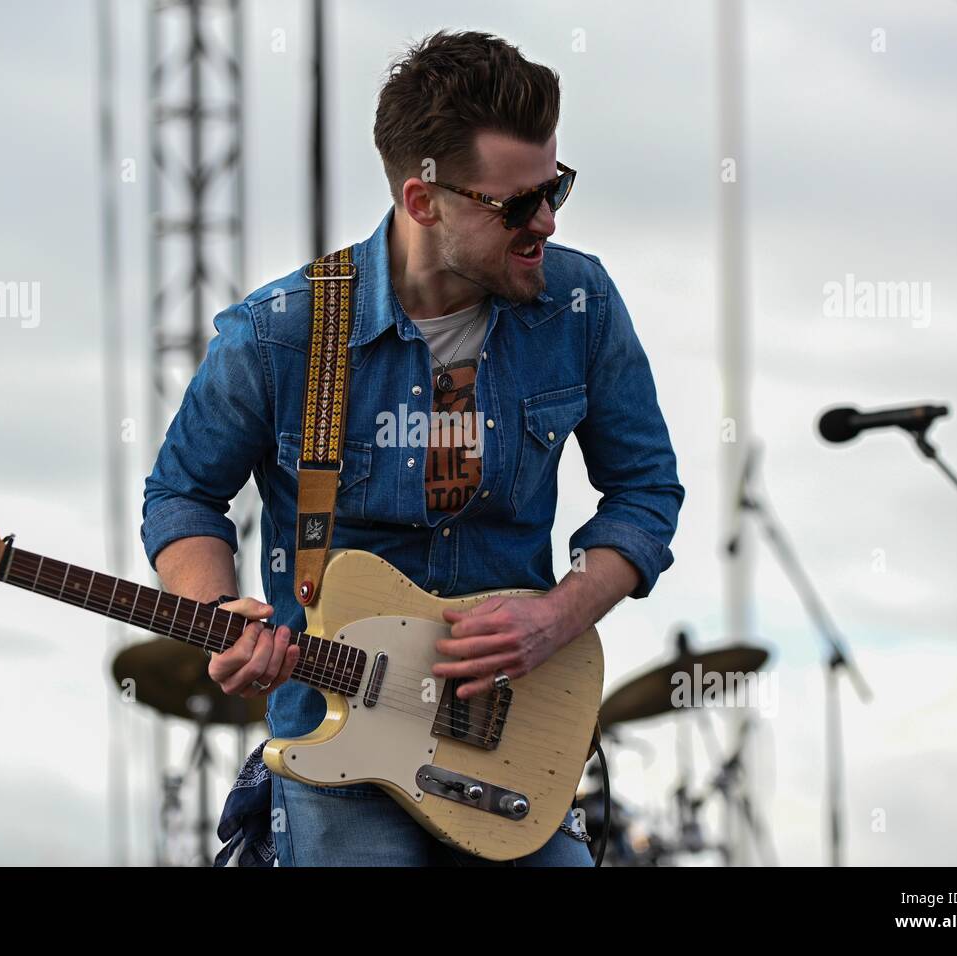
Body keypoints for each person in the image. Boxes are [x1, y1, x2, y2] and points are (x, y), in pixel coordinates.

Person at [141, 29, 683, 866]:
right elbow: (181, 495)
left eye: (555, 189)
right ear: (424, 201)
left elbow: (646, 491)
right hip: (340, 751)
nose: (543, 221)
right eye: (514, 205)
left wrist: (556, 615)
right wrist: (220, 612)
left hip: (515, 742)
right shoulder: (280, 335)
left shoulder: (580, 302)